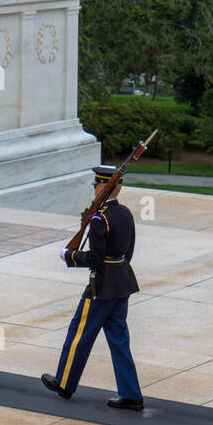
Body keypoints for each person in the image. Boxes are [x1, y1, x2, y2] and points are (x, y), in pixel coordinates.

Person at [41, 165, 144, 411]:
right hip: (122, 283)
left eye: (96, 185)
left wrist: (70, 256)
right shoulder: (125, 213)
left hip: (101, 288)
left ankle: (65, 383)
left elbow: (96, 259)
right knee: (119, 340)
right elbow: (127, 252)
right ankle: (131, 394)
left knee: (78, 334)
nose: (95, 189)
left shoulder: (100, 219)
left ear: (101, 187)